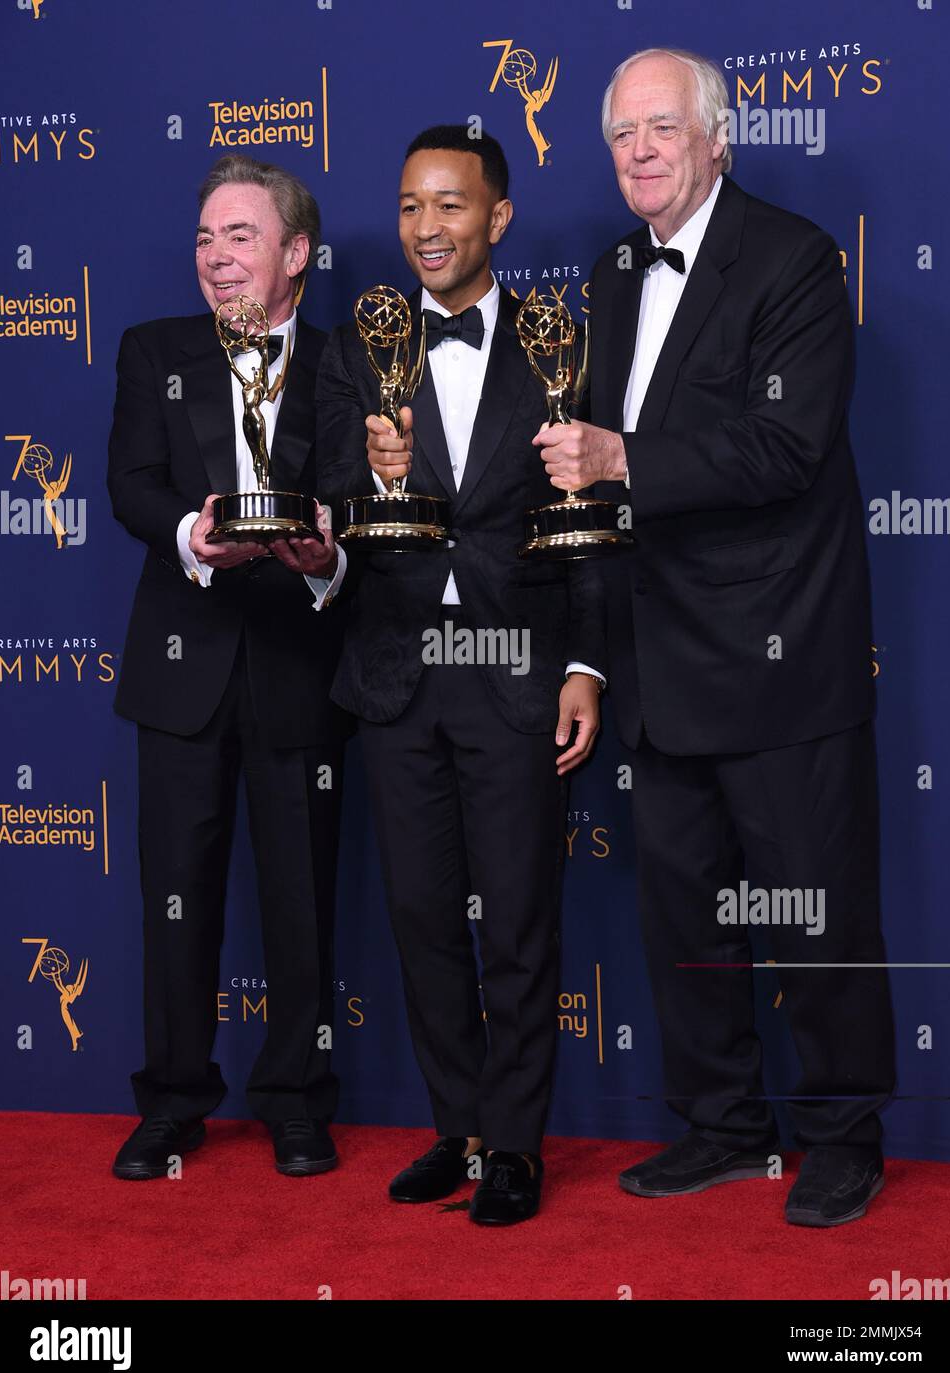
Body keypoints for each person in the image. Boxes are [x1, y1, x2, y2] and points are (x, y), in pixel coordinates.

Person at [535, 48, 896, 1227]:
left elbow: (782, 449)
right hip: (654, 657)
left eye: (659, 129)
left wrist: (624, 459)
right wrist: (588, 656)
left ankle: (844, 1135)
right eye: (620, 136)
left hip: (778, 651)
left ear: (714, 140)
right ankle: (722, 1128)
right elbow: (588, 494)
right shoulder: (607, 273)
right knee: (683, 912)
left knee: (810, 908)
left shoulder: (792, 258)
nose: (638, 151)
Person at [316, 125, 604, 1225]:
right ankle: (461, 1130)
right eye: (407, 207)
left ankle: (519, 1145)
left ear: (497, 217)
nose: (425, 228)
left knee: (520, 918)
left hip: (518, 669)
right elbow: (329, 495)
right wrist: (365, 471)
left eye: (448, 205)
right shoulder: (353, 351)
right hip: (396, 672)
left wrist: (584, 662)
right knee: (424, 914)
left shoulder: (553, 343)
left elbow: (581, 518)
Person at [107, 154, 349, 1180]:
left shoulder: (345, 364)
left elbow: (350, 505)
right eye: (205, 237)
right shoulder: (153, 350)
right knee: (176, 894)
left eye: (239, 236)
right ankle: (172, 1100)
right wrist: (185, 535)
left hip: (298, 657)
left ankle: (294, 1098)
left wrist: (327, 559)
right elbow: (129, 482)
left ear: (295, 254)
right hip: (182, 662)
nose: (215, 257)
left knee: (301, 893)